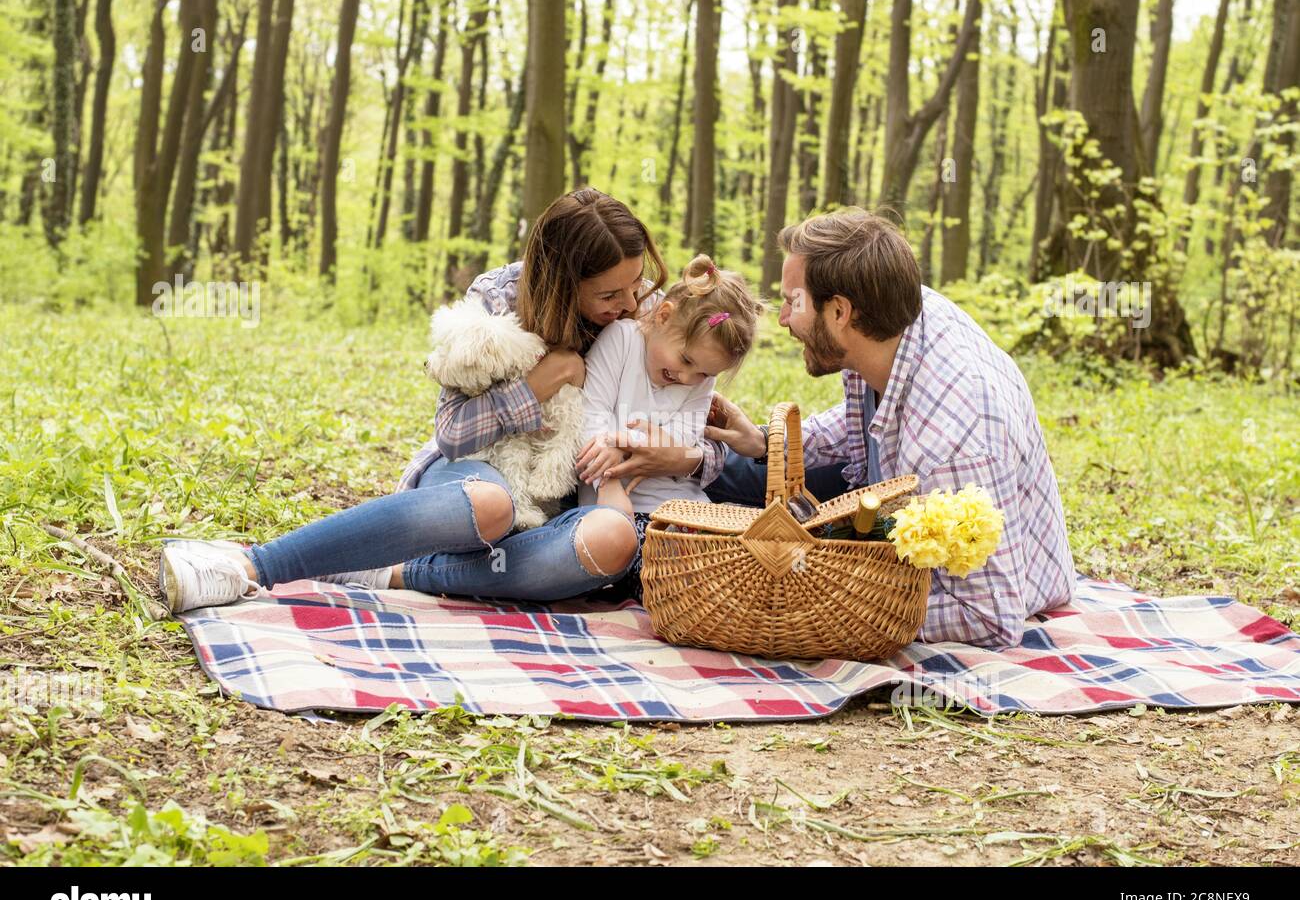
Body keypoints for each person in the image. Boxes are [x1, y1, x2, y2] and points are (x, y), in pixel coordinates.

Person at [158, 189, 718, 612]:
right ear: (562, 279)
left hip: (567, 508)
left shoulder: (651, 318)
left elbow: (709, 425)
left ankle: (398, 574)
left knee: (612, 541)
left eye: (635, 285)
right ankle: (251, 564)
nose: (629, 304)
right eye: (608, 294)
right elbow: (452, 431)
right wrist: (539, 384)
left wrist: (684, 458)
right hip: (475, 476)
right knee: (490, 507)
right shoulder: (498, 298)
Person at [694, 207, 1076, 647]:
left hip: (969, 576)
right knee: (743, 472)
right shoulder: (888, 320)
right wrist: (764, 442)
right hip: (890, 486)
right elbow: (871, 422)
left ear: (839, 311)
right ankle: (668, 476)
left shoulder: (954, 437)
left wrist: (827, 610)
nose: (782, 319)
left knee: (768, 526)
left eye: (791, 302)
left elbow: (988, 615)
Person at [573, 253, 762, 604]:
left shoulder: (699, 381)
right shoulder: (622, 341)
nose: (689, 378)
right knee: (673, 576)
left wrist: (619, 443)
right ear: (663, 317)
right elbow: (589, 413)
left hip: (687, 505)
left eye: (704, 374)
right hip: (624, 507)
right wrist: (609, 478)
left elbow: (683, 438)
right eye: (686, 360)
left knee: (749, 551)